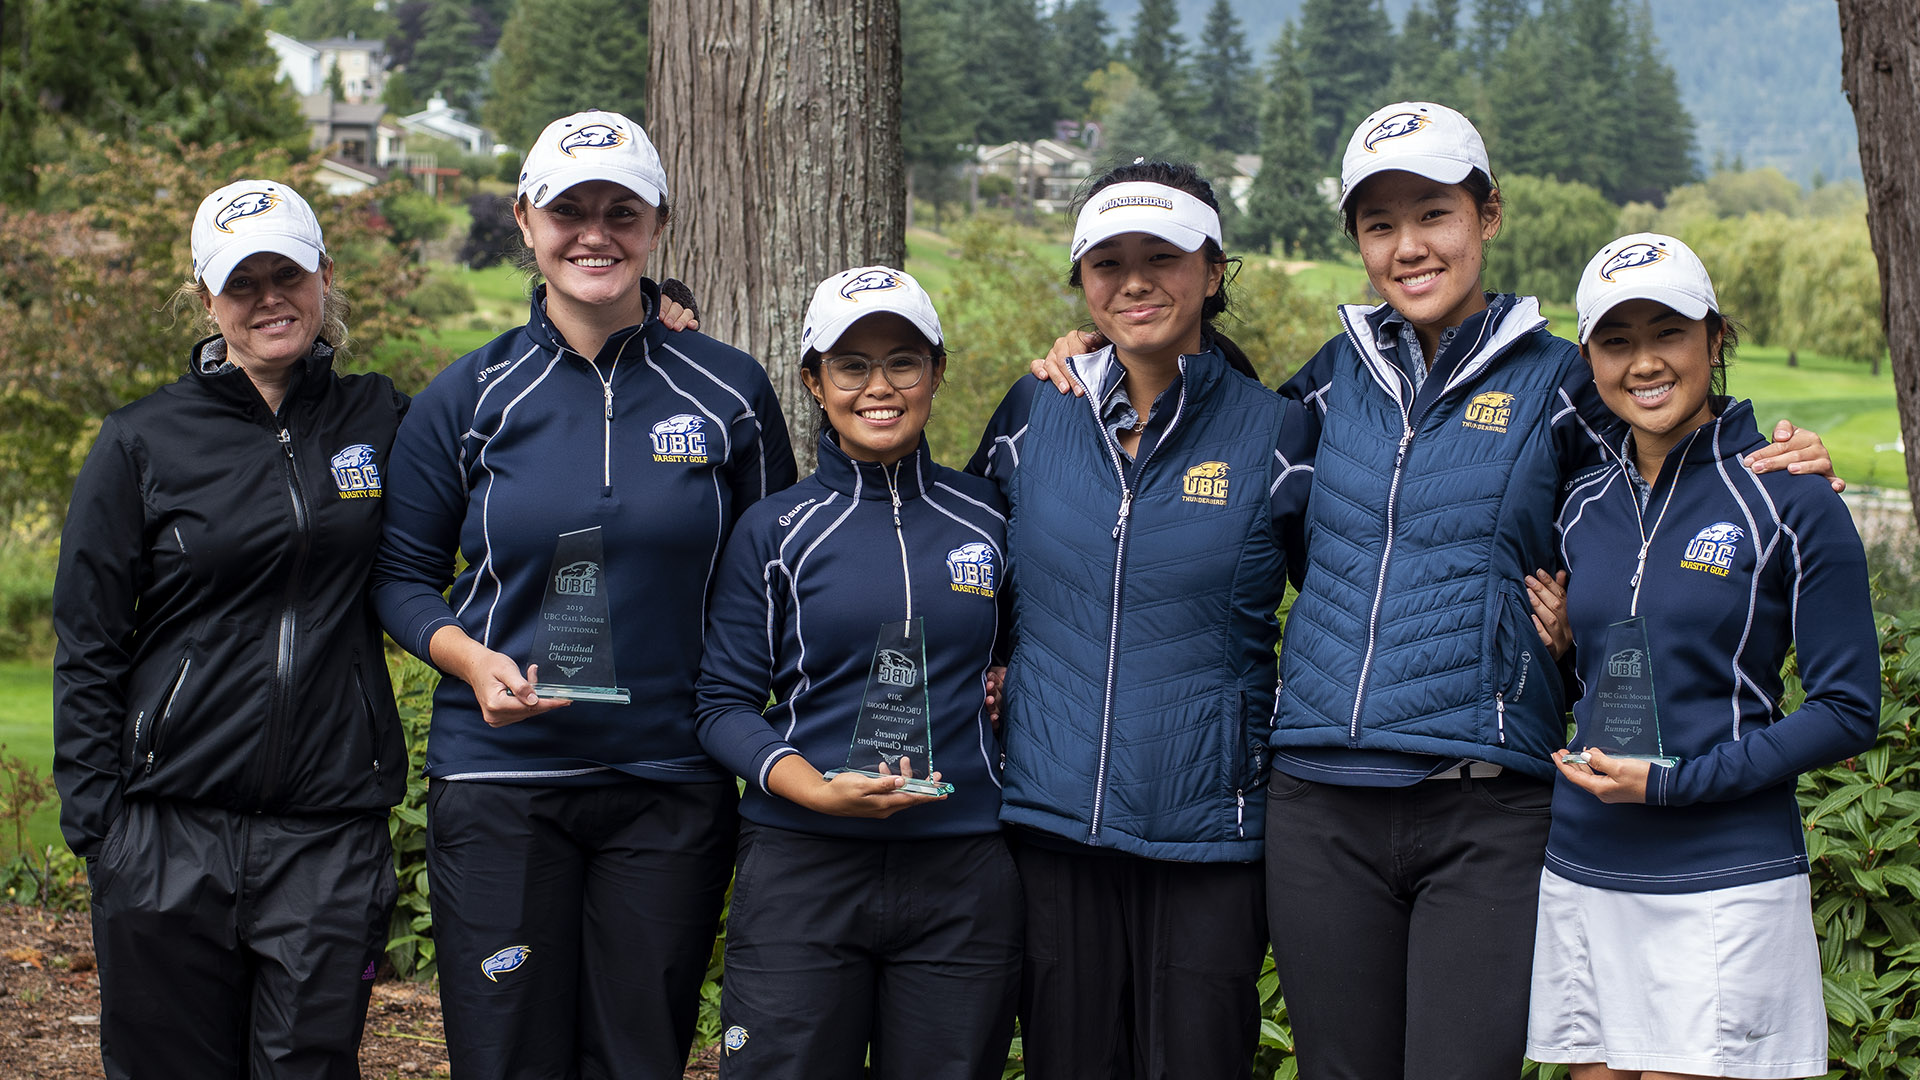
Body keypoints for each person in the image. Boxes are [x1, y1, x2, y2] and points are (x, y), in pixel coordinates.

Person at [1026, 104, 1839, 1078]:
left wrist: (1771, 454)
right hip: (1319, 799)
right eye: (1380, 224)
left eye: (1434, 215)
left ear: (1487, 215)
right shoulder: (1332, 380)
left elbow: (1668, 447)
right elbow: (1219, 424)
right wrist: (1097, 356)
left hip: (1485, 799)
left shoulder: (1561, 380)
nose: (1408, 246)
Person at [371, 110, 795, 1080]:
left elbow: (771, 583)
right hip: (501, 781)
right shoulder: (467, 397)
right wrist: (469, 659)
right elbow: (399, 579)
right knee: (506, 1055)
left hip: (669, 780)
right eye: (569, 211)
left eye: (621, 212)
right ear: (526, 221)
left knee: (638, 1055)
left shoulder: (729, 391)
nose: (594, 234)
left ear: (658, 225)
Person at [967, 160, 1314, 1079]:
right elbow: (964, 569)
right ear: (1082, 279)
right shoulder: (1034, 411)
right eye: (1108, 262)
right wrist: (994, 671)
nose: (1134, 282)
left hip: (1209, 830)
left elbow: (1353, 595)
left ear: (1214, 270)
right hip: (1051, 817)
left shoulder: (1277, 432)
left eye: (1162, 256)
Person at [53, 179, 406, 1079]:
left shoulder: (382, 417)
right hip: (167, 835)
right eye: (241, 283)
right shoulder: (141, 441)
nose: (267, 299)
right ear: (207, 299)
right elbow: (89, 642)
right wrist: (102, 829)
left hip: (328, 833)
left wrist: (648, 320)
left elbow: (517, 415)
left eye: (286, 274)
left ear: (324, 276)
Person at [1523, 233, 1878, 1079]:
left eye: (1669, 332)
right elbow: (1604, 679)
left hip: (1725, 874)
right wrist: (1568, 650)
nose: (1644, 361)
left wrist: (1674, 783)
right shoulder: (1582, 503)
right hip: (1585, 864)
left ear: (1715, 340)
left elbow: (1847, 711)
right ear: (1589, 360)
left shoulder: (1792, 497)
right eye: (1617, 340)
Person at [694, 266, 1021, 1079]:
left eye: (903, 361)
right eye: (851, 365)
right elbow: (722, 704)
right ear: (814, 382)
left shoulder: (990, 516)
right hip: (804, 864)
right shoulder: (774, 529)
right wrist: (811, 788)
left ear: (936, 372)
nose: (879, 387)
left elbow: (1027, 652)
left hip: (962, 868)